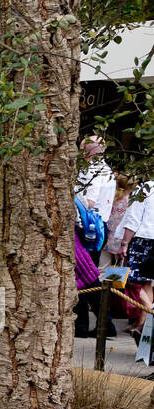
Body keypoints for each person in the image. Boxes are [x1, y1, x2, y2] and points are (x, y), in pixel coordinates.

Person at [115, 180, 154, 338]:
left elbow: (133, 218)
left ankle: (148, 316)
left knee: (134, 283)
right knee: (146, 282)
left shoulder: (145, 188)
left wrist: (124, 243)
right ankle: (142, 322)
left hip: (143, 239)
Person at [76, 135, 117, 223]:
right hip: (101, 223)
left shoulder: (91, 170)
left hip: (87, 223)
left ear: (84, 150)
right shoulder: (106, 170)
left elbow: (89, 202)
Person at [100, 174, 134, 269]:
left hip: (107, 236)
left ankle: (99, 283)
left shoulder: (111, 198)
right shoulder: (131, 202)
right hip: (122, 239)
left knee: (102, 266)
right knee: (118, 269)